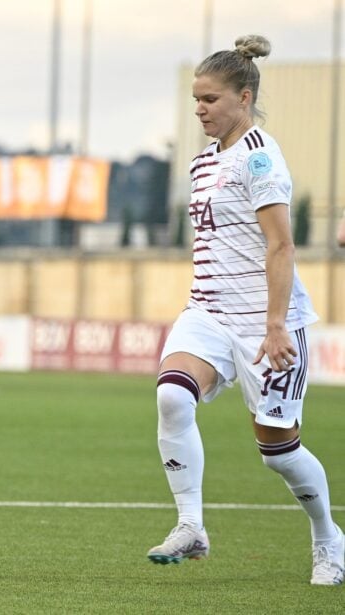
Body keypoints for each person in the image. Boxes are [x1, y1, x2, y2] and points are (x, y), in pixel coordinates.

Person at [146, 35, 343, 585]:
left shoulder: (260, 158)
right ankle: (191, 526)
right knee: (170, 394)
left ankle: (329, 538)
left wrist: (276, 324)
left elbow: (281, 245)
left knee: (278, 453)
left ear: (244, 97)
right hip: (208, 311)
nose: (199, 109)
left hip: (267, 323)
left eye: (209, 99)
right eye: (196, 99)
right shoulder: (202, 162)